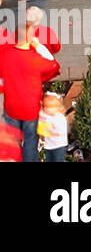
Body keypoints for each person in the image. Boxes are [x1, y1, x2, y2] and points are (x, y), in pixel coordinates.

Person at [0, 16, 59, 161]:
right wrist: (38, 46)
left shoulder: (5, 56)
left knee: (12, 140)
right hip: (30, 110)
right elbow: (53, 64)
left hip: (11, 107)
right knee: (30, 142)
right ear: (31, 38)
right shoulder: (35, 59)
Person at [36, 92, 68, 162]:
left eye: (51, 107)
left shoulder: (60, 117)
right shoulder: (45, 115)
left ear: (57, 107)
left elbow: (57, 131)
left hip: (59, 145)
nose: (48, 109)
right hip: (49, 146)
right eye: (46, 107)